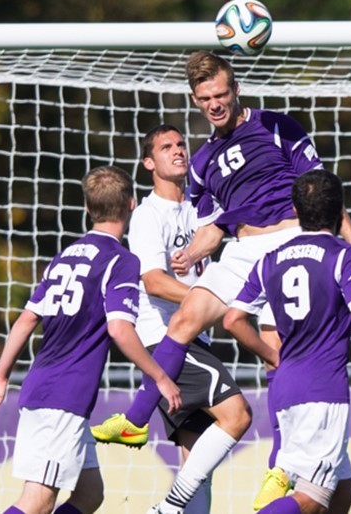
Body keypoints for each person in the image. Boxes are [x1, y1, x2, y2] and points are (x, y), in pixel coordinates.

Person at [91, 50, 351, 513]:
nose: (215, 104)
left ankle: (279, 466)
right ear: (195, 99)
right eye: (205, 98)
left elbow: (322, 188)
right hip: (242, 249)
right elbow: (214, 227)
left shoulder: (277, 126)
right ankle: (136, 419)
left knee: (275, 355)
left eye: (221, 94)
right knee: (185, 319)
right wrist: (192, 253)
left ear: (236, 88)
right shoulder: (203, 161)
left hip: (289, 241)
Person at [0, 166, 181, 514]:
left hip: (45, 388)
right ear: (132, 204)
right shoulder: (120, 260)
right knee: (38, 501)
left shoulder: (63, 256)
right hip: (63, 398)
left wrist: (0, 375)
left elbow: (26, 320)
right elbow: (119, 330)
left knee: (89, 496)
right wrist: (160, 377)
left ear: (87, 208)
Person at [223, 170, 351, 514]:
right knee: (312, 499)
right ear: (340, 210)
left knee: (343, 490)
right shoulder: (344, 255)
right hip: (322, 392)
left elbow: (232, 320)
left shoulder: (270, 260)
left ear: (295, 210)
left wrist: (271, 355)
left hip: (285, 388)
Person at [90, 125, 251, 514]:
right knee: (237, 414)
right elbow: (154, 281)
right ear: (149, 163)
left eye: (181, 144)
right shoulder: (147, 215)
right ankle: (166, 508)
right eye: (166, 147)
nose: (178, 151)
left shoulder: (202, 208)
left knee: (197, 462)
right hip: (166, 340)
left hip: (196, 339)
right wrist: (212, 301)